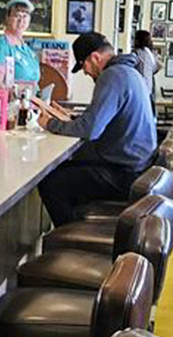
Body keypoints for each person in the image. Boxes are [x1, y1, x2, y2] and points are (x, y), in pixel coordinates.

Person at [36, 32, 157, 226]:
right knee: (62, 169)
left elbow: (90, 130)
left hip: (126, 172)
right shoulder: (128, 72)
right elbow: (101, 119)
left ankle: (70, 237)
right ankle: (77, 227)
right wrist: (70, 119)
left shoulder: (112, 76)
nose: (85, 72)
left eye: (83, 65)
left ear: (95, 57)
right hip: (137, 165)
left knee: (51, 181)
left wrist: (49, 123)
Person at [0, 0, 41, 87]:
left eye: (25, 16)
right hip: (13, 97)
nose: (21, 20)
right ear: (7, 18)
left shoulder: (27, 50)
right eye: (17, 16)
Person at [133, 30, 162, 105]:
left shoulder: (138, 53)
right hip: (149, 88)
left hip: (140, 88)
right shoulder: (150, 53)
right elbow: (158, 66)